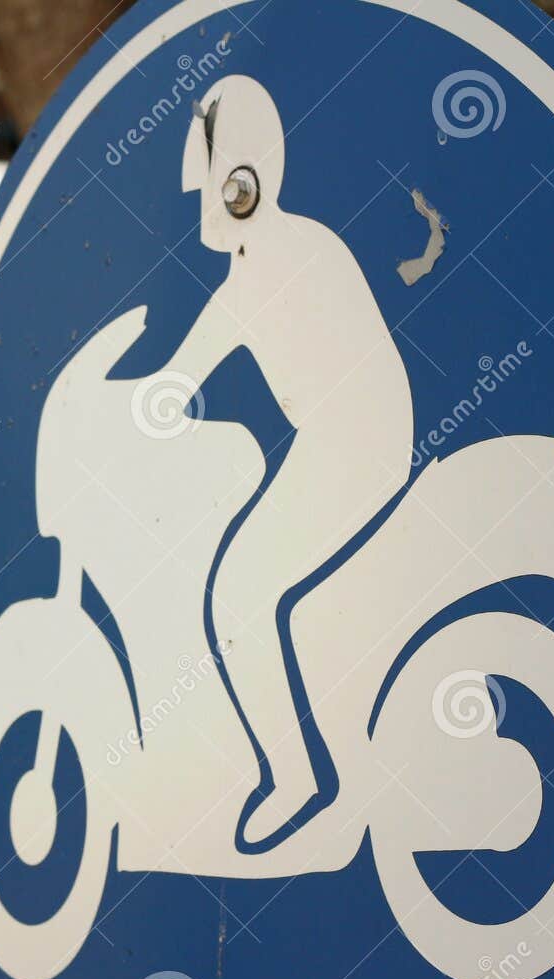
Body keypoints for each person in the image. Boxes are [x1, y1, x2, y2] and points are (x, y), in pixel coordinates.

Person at [158, 75, 416, 848]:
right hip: (340, 438)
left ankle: (297, 775)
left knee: (238, 594)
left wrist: (153, 402)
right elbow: (174, 379)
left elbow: (180, 377)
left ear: (241, 180)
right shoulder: (259, 265)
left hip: (357, 442)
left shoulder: (287, 254)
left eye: (211, 183)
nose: (201, 202)